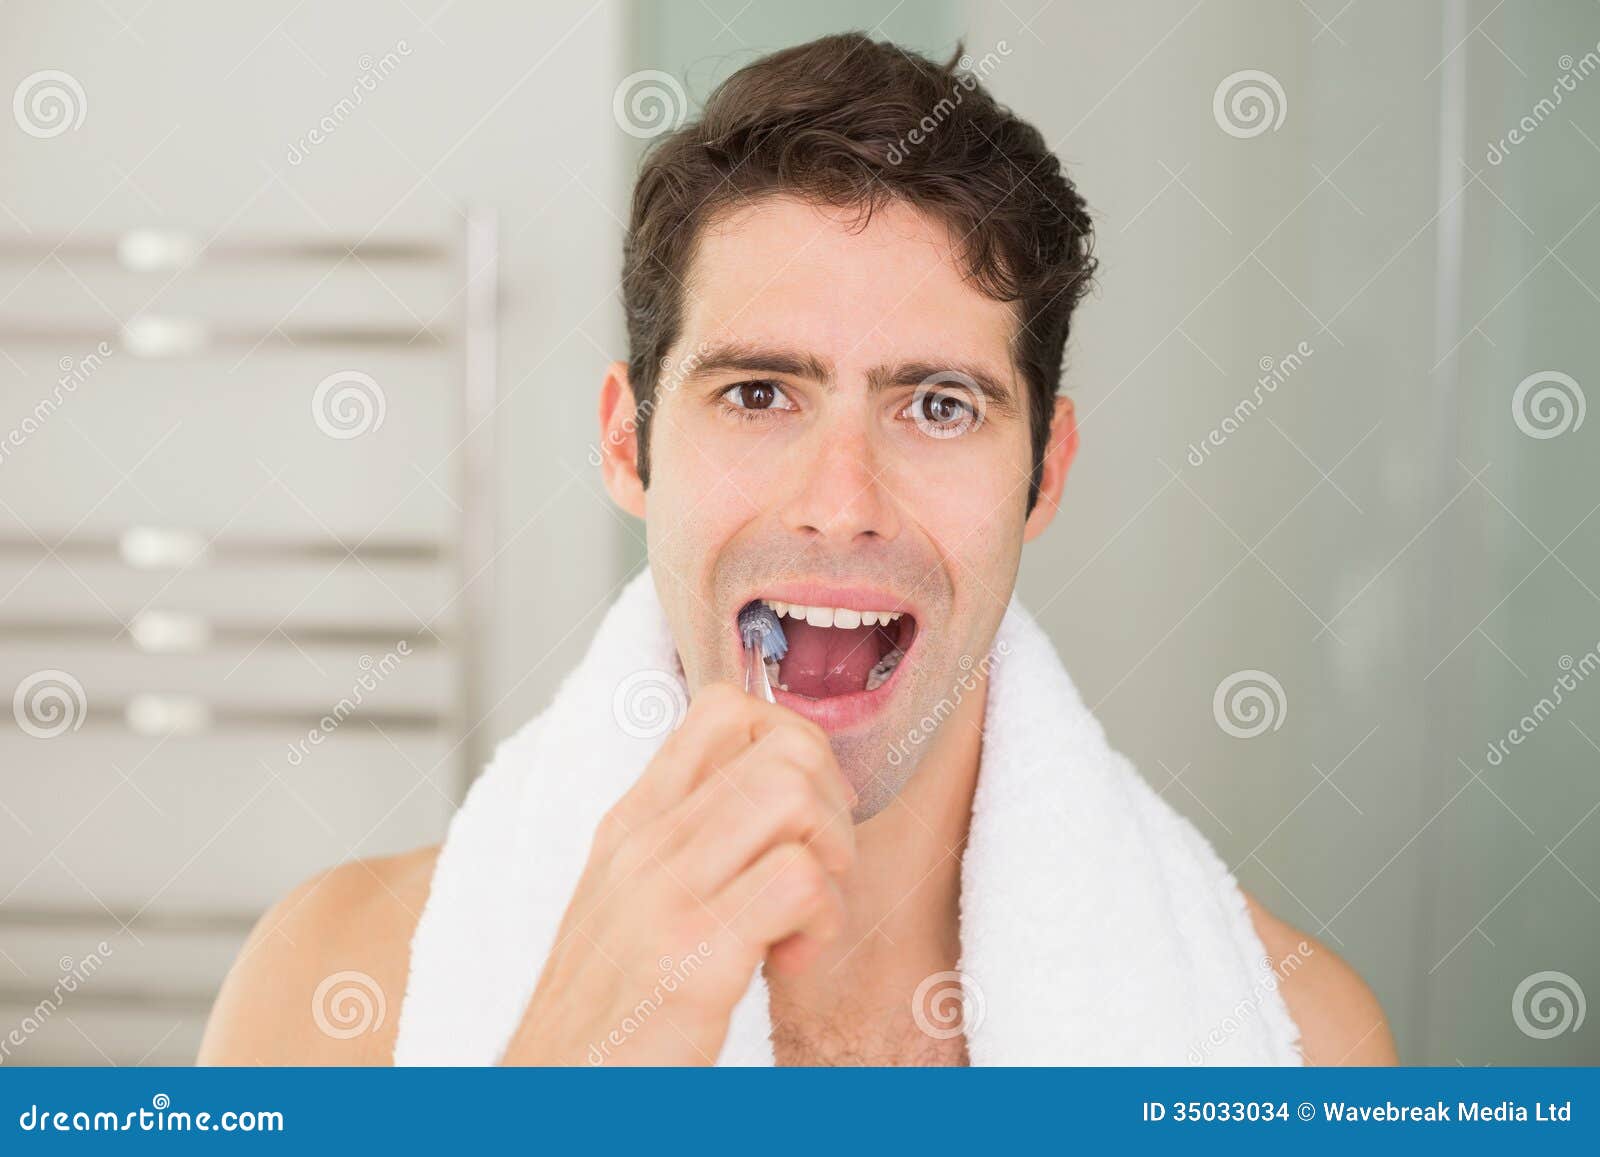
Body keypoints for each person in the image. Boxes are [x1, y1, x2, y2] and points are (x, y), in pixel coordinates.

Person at [199, 33, 1395, 1067]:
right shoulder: (333, 996)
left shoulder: (1301, 1047)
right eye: (760, 392)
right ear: (628, 444)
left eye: (936, 405)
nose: (841, 502)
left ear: (1046, 473)